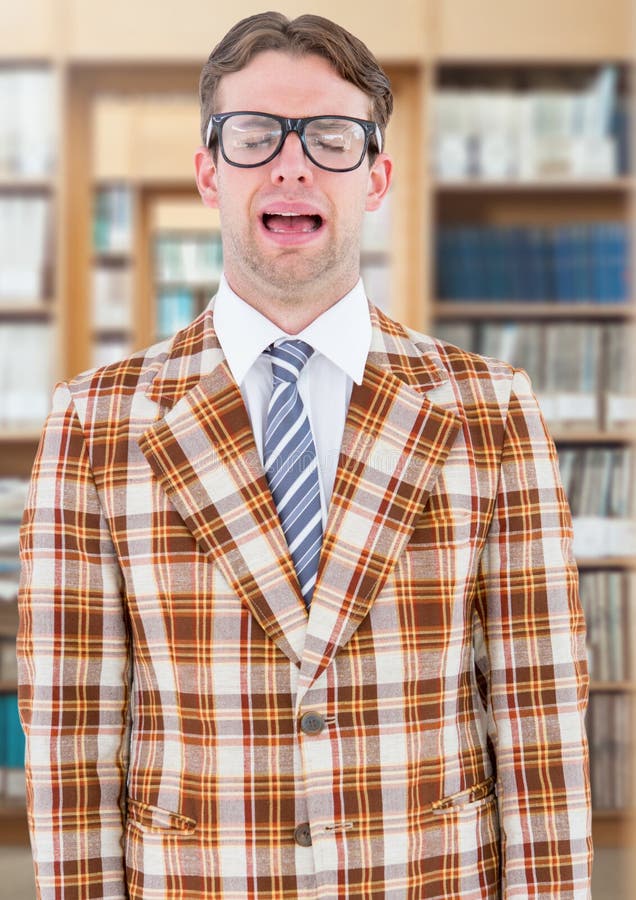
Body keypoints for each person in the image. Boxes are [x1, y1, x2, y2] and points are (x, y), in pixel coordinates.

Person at [18, 11, 592, 899]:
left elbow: (538, 717)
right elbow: (70, 737)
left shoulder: (491, 410)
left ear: (376, 178)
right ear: (209, 173)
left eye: (331, 137)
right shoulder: (95, 423)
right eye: (254, 136)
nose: (292, 163)